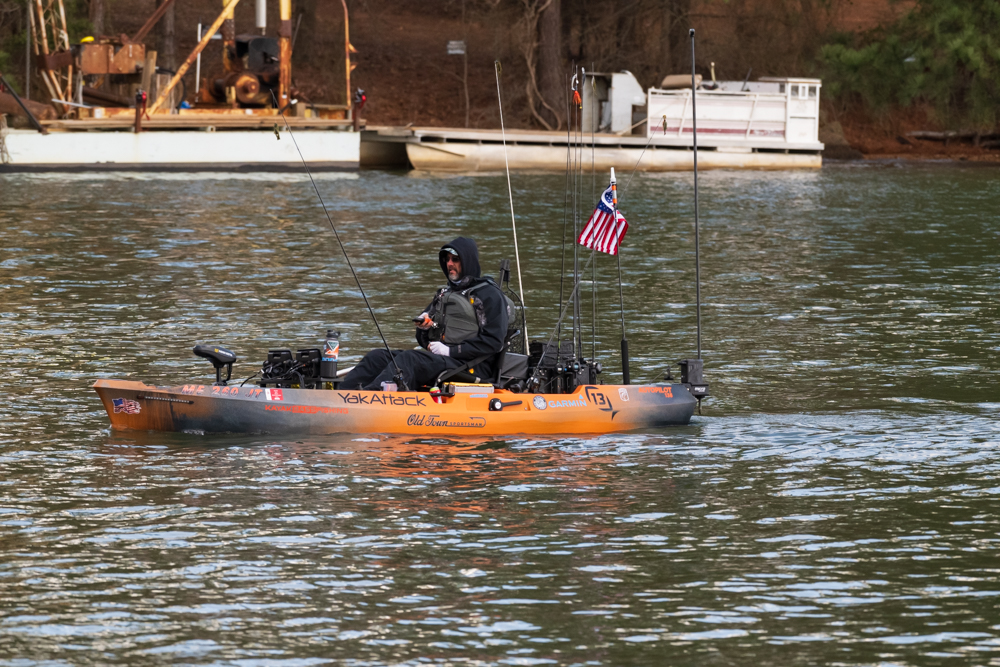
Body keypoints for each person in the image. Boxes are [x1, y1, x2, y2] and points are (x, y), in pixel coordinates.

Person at [340, 237, 509, 391]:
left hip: (473, 366)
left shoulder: (489, 295)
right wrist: (424, 329)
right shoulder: (445, 293)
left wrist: (450, 352)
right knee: (377, 356)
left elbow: (493, 341)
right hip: (443, 360)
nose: (450, 263)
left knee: (409, 359)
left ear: (468, 260)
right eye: (447, 259)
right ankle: (341, 395)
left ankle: (370, 399)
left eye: (455, 259)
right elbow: (422, 340)